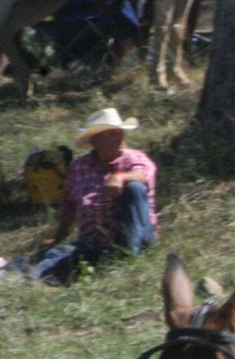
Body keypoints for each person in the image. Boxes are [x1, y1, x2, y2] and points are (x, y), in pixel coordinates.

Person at [44, 105, 156, 275]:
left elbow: (143, 175)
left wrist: (121, 177)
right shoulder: (79, 166)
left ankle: (128, 256)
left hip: (135, 237)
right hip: (93, 242)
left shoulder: (134, 158)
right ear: (95, 141)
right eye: (112, 134)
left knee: (134, 188)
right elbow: (69, 205)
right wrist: (58, 236)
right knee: (54, 259)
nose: (120, 138)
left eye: (120, 132)